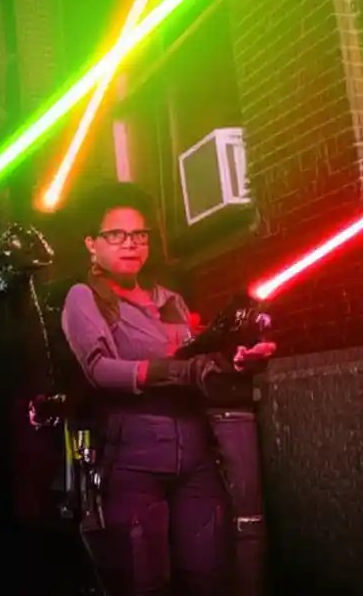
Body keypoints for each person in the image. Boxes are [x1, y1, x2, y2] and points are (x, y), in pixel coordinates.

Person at [59, 182, 276, 595]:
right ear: (92, 244)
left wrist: (239, 359)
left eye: (139, 235)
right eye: (116, 235)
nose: (130, 244)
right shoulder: (84, 297)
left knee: (209, 577)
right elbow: (100, 370)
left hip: (195, 457)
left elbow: (203, 360)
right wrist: (173, 373)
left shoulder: (169, 299)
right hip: (132, 462)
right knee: (144, 583)